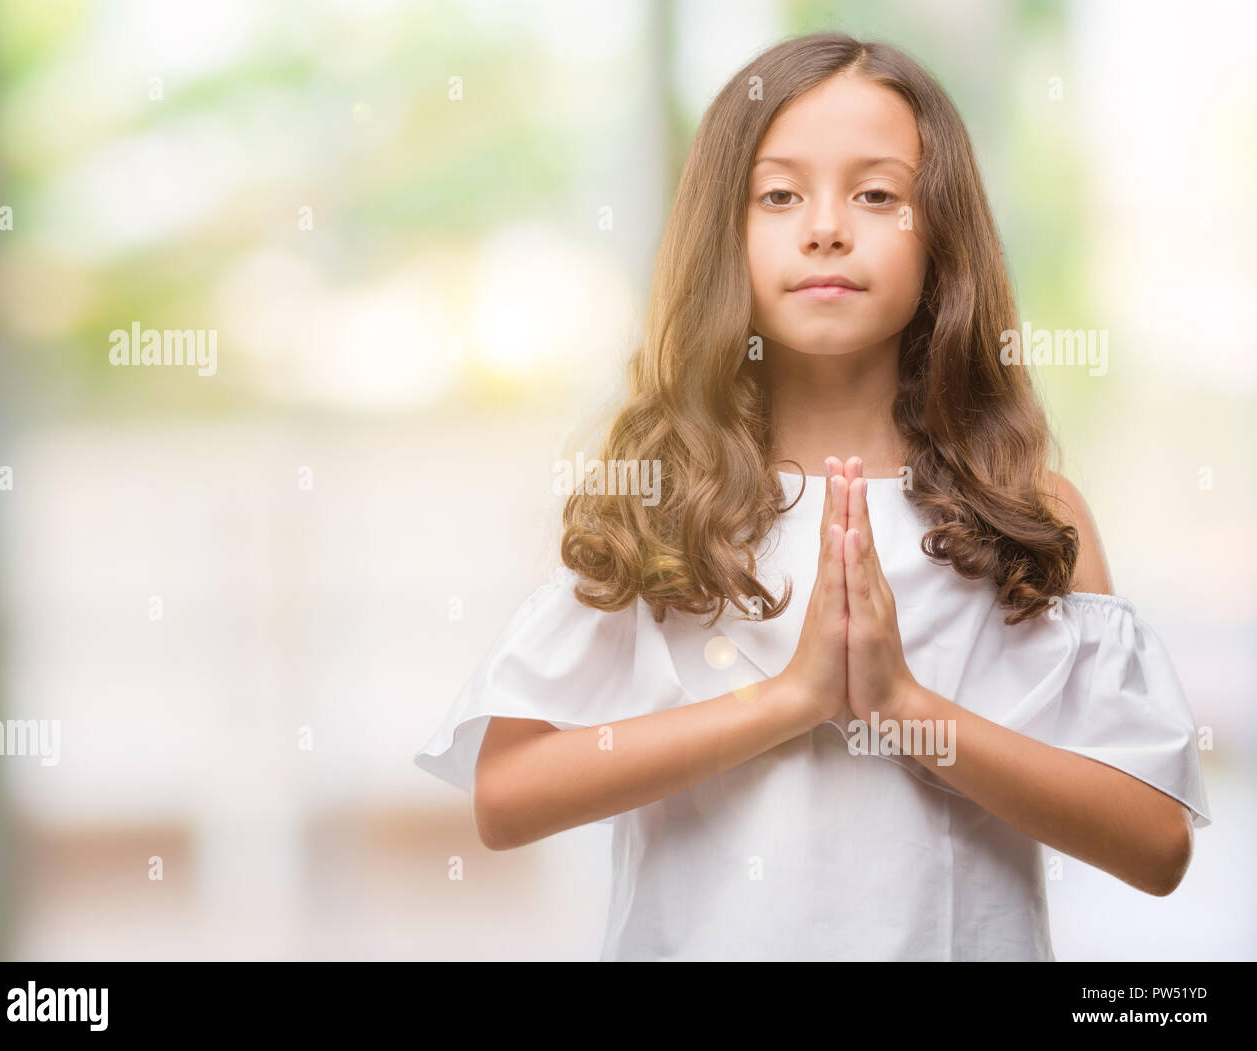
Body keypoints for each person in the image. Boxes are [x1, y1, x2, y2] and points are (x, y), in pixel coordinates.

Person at [413, 31, 1211, 961]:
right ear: (727, 233)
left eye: (877, 195)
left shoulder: (1032, 515)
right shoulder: (668, 509)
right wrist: (788, 700)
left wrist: (904, 707)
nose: (826, 226)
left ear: (941, 238)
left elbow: (1155, 843)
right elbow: (507, 798)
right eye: (780, 194)